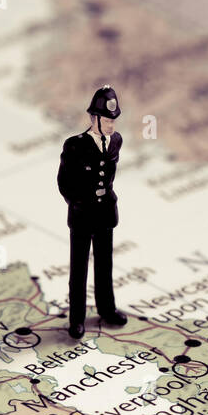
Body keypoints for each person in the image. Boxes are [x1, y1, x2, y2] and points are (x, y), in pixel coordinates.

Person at [57, 85, 128, 337]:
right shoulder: (74, 146)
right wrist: (78, 202)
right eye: (107, 119)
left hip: (106, 214)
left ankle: (107, 309)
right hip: (81, 215)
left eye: (113, 120)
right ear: (93, 118)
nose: (111, 125)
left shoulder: (116, 141)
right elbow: (64, 182)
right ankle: (76, 319)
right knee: (79, 270)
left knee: (104, 266)